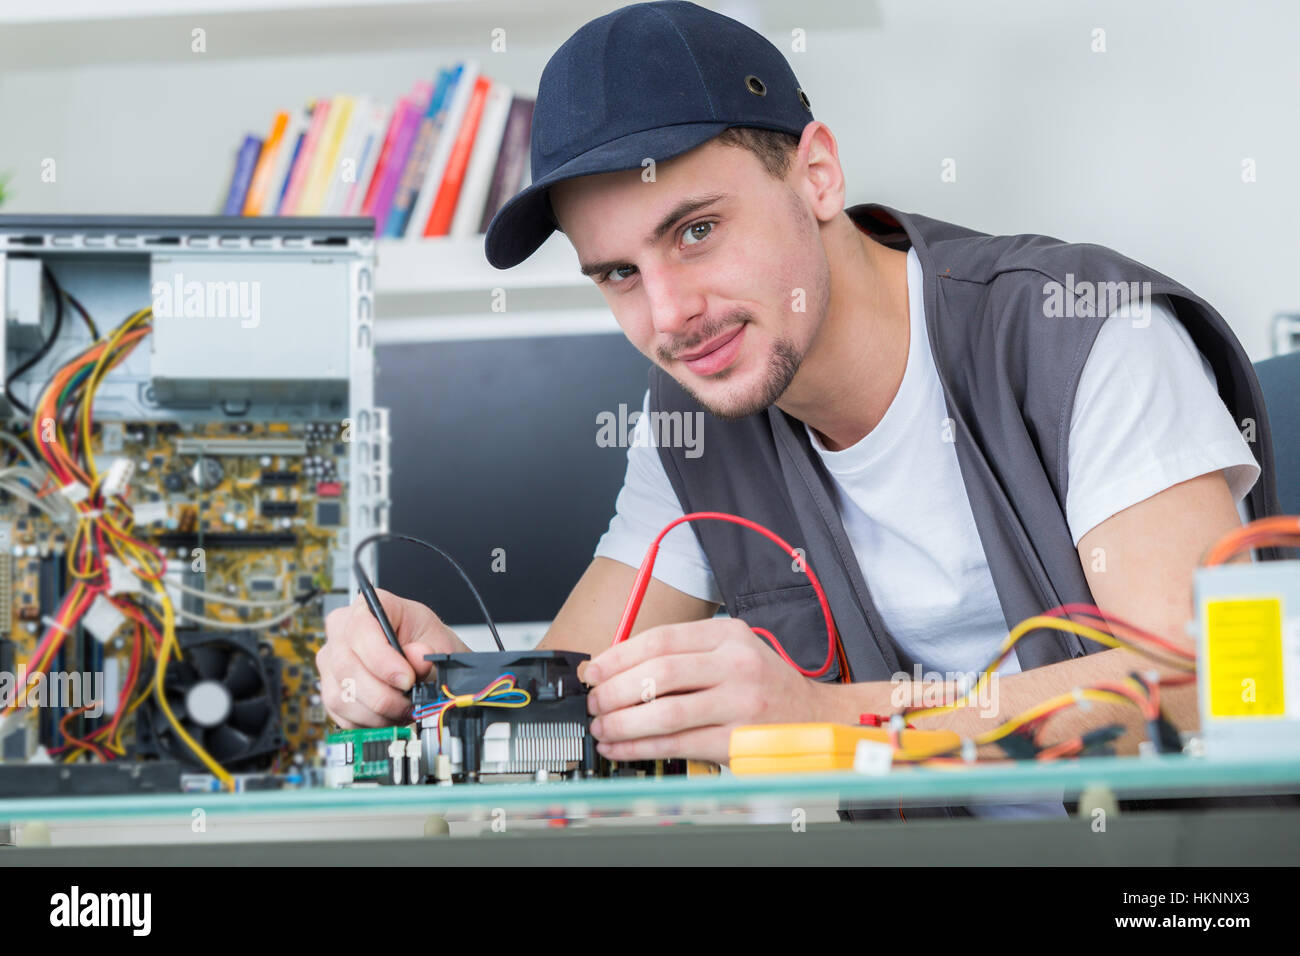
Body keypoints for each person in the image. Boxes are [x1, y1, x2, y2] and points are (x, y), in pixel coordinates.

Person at [315, 2, 1278, 817]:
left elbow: (1204, 682)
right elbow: (577, 698)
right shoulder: (696, 418)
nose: (669, 316)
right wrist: (444, 689)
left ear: (817, 173)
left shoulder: (1087, 333)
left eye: (696, 231)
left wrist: (822, 718)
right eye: (618, 273)